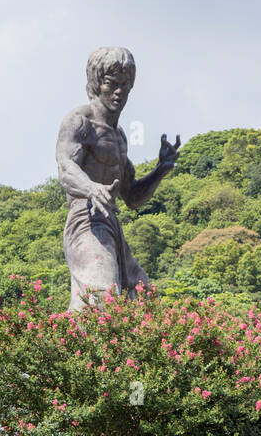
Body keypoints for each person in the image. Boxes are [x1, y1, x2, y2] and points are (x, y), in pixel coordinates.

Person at [56, 46, 180, 309]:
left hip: (112, 223)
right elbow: (66, 168)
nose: (119, 91)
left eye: (125, 85)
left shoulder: (119, 135)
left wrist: (160, 170)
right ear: (96, 83)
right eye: (112, 84)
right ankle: (66, 348)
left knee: (145, 300)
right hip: (86, 219)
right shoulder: (79, 122)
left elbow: (131, 196)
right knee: (100, 296)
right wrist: (90, 188)